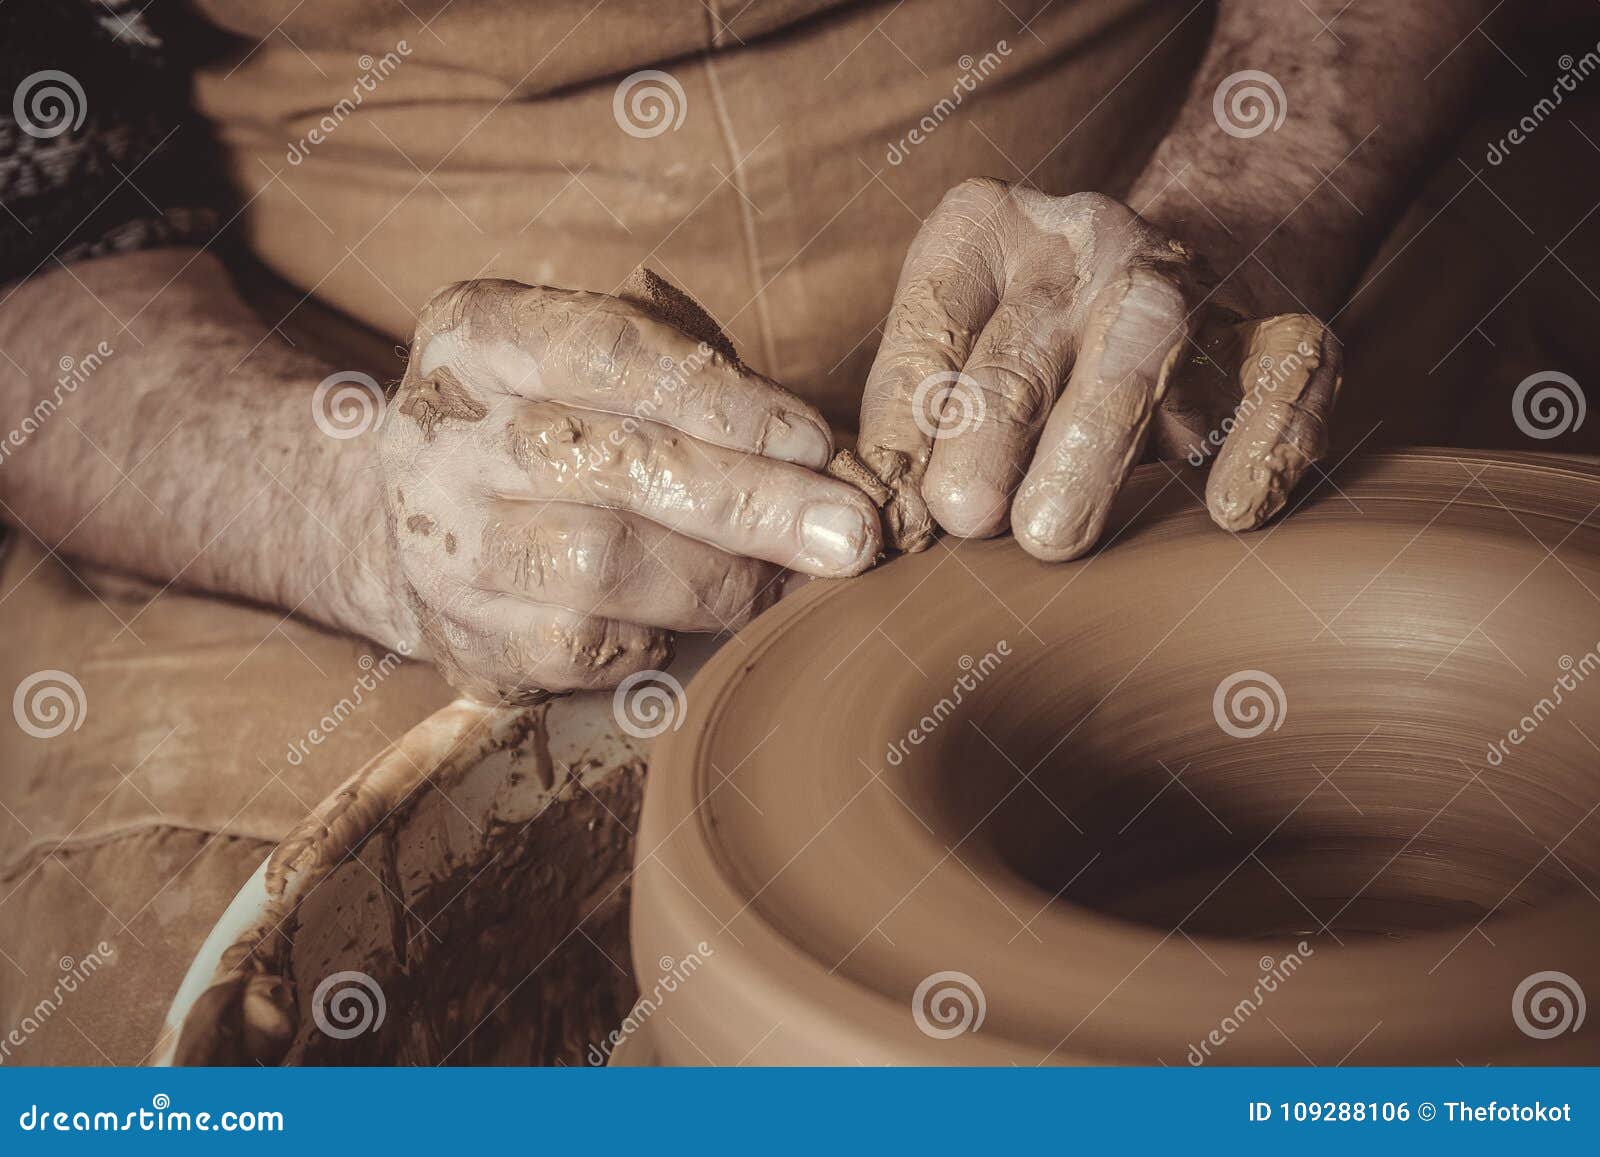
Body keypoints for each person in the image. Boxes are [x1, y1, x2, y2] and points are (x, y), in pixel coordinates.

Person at [0, 0, 1593, 1061]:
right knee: (232, 1019)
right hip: (389, 393)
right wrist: (346, 504)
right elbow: (33, 253)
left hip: (1186, 235)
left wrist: (1246, 205)